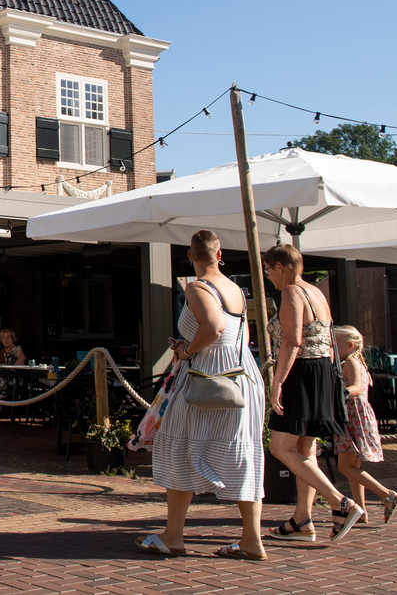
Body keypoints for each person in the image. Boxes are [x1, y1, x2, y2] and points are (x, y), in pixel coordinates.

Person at [135, 229, 266, 560]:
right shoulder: (235, 288)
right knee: (242, 453)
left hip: (206, 376)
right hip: (242, 375)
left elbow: (213, 327)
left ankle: (173, 535)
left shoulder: (196, 286)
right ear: (219, 254)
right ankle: (251, 540)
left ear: (190, 256)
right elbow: (239, 335)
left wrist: (187, 351)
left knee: (177, 445)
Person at [264, 243, 366, 543]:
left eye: (270, 270)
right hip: (323, 372)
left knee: (281, 447)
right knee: (305, 450)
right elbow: (329, 339)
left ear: (280, 266)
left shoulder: (291, 292)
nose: (269, 276)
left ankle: (341, 503)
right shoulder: (317, 293)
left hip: (301, 372)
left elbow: (292, 341)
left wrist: (277, 382)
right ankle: (302, 519)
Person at [332, 325, 397, 525]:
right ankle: (361, 511)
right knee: (353, 467)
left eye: (336, 343)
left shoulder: (351, 362)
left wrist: (337, 394)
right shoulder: (359, 363)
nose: (333, 347)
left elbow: (356, 388)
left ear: (350, 345)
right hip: (359, 417)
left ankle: (387, 495)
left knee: (345, 467)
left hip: (352, 417)